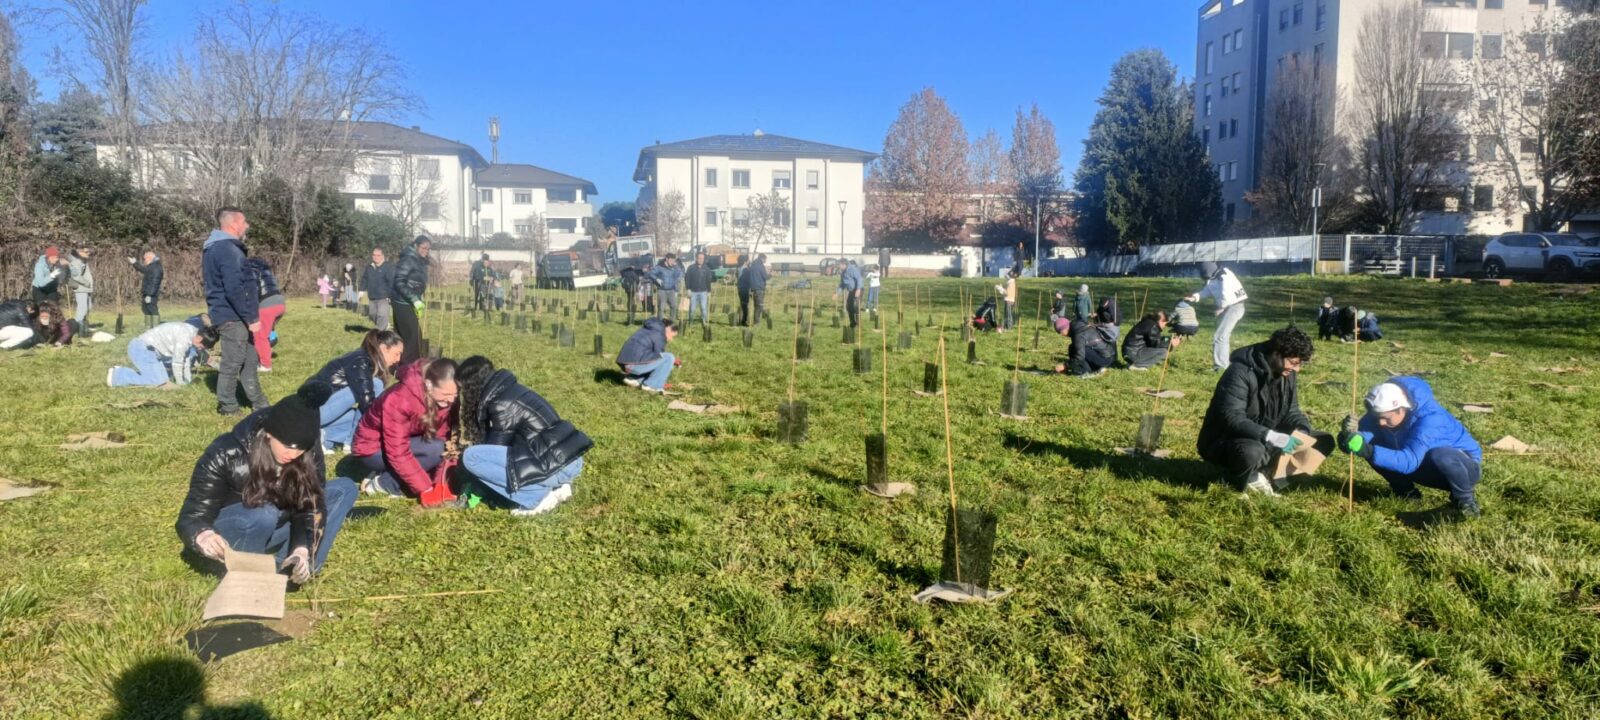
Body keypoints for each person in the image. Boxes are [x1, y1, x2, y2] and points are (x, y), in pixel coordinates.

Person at [175, 382, 358, 584]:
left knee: (343, 489)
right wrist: (203, 536)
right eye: (287, 446)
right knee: (265, 513)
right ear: (270, 434)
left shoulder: (308, 451)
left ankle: (294, 567)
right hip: (232, 531)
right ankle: (242, 575)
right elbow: (192, 516)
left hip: (276, 523)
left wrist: (301, 548)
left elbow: (310, 505)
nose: (293, 454)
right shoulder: (225, 452)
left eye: (301, 449)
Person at [1197, 326, 1332, 497]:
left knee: (1322, 441)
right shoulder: (1239, 372)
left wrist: (1303, 430)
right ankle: (1232, 483)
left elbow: (1291, 410)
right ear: (1276, 353)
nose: (1297, 369)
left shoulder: (1287, 374)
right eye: (1294, 362)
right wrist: (1271, 436)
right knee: (1252, 452)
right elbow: (1231, 417)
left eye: (1300, 364)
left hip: (1269, 438)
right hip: (1227, 440)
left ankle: (1265, 477)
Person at [454, 356, 593, 516]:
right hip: (568, 461)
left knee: (472, 456)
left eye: (462, 389)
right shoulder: (512, 391)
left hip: (555, 467)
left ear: (472, 386)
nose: (460, 396)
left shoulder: (501, 405)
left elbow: (494, 451)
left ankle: (536, 496)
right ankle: (557, 487)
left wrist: (476, 481)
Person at [1337, 378, 1484, 517]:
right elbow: (1359, 441)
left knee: (1441, 455)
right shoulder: (1381, 413)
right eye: (1377, 417)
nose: (1380, 422)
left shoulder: (1431, 418)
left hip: (1463, 470)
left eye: (1386, 418)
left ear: (1402, 409)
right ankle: (1406, 493)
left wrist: (1366, 450)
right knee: (1375, 448)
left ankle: (1465, 501)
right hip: (1422, 464)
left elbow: (1409, 461)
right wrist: (1348, 436)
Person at [352, 358, 458, 502]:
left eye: (455, 395)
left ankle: (385, 473)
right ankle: (382, 484)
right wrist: (425, 489)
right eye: (446, 395)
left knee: (439, 447)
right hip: (371, 448)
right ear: (429, 384)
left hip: (404, 440)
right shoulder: (399, 399)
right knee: (435, 450)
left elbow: (445, 440)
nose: (451, 400)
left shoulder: (444, 401)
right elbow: (397, 451)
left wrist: (440, 484)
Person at [202, 207, 270, 416]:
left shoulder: (222, 247)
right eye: (244, 221)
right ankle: (228, 406)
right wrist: (250, 317)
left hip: (235, 315)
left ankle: (260, 403)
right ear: (233, 224)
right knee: (232, 363)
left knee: (249, 360)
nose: (247, 225)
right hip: (232, 316)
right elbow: (234, 288)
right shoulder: (226, 249)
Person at [313, 329, 403, 452]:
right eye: (396, 353)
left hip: (323, 412)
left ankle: (322, 437)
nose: (398, 359)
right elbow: (368, 403)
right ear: (383, 348)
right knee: (375, 386)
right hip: (313, 410)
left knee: (355, 415)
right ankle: (353, 442)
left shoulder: (367, 361)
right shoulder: (360, 361)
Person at [107, 316, 217, 388]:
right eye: (202, 346)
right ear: (198, 338)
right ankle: (118, 376)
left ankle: (121, 372)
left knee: (164, 380)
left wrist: (187, 381)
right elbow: (177, 362)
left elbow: (186, 361)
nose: (200, 349)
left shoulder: (192, 332)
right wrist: (180, 383)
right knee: (157, 381)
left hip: (151, 354)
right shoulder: (184, 337)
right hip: (141, 349)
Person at [1185, 261, 1249, 371]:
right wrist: (1195, 297)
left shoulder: (1225, 275)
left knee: (1219, 336)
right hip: (1229, 307)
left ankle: (1221, 366)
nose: (1206, 279)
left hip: (1235, 307)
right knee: (1222, 336)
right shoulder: (1213, 277)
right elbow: (1207, 291)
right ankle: (1223, 364)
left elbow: (1227, 293)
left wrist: (1221, 307)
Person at [389, 236, 431, 364]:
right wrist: (414, 299)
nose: (426, 251)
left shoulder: (418, 260)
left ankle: (397, 363)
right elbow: (399, 282)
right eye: (423, 248)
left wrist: (418, 299)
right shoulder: (408, 260)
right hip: (402, 301)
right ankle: (409, 367)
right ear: (415, 246)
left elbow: (415, 281)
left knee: (404, 334)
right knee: (413, 336)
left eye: (428, 249)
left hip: (409, 301)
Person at [246, 257, 286, 373]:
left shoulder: (253, 270)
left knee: (260, 336)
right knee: (268, 331)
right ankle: (268, 348)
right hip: (280, 302)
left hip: (267, 304)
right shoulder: (267, 272)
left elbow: (254, 290)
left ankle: (265, 365)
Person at [617, 318, 678, 393]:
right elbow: (659, 357)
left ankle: (634, 379)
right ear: (668, 330)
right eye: (673, 336)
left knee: (661, 360)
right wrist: (673, 361)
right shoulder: (660, 335)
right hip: (633, 365)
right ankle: (652, 386)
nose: (671, 339)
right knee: (669, 357)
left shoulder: (648, 329)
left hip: (625, 363)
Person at [130, 250, 165, 329]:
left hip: (151, 293)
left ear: (150, 258)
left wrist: (149, 295)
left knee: (152, 309)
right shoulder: (152, 266)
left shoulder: (156, 267)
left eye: (144, 259)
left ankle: (156, 328)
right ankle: (148, 326)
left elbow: (155, 282)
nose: (144, 261)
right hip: (147, 292)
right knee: (145, 309)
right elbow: (144, 270)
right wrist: (135, 263)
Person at [361, 247, 392, 331]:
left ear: (382, 256)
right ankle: (384, 324)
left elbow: (391, 282)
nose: (376, 257)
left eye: (378, 255)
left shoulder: (388, 267)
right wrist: (362, 290)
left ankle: (380, 333)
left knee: (381, 314)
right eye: (374, 255)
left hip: (384, 297)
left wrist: (390, 295)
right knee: (372, 314)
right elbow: (364, 278)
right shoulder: (369, 267)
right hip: (372, 296)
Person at [684, 252, 715, 326]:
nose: (701, 260)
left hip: (703, 292)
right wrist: (688, 289)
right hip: (693, 292)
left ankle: (704, 321)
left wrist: (709, 291)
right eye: (699, 258)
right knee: (692, 309)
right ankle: (691, 322)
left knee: (704, 309)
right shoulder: (691, 268)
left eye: (702, 258)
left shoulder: (706, 269)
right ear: (696, 258)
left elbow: (708, 280)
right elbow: (687, 278)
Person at [66, 247, 94, 327]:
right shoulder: (76, 262)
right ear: (79, 252)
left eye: (89, 251)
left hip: (86, 289)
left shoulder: (83, 261)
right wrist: (87, 283)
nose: (89, 253)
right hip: (81, 288)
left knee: (88, 307)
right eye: (86, 252)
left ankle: (84, 325)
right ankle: (78, 326)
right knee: (82, 308)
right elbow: (76, 276)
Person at [738, 254, 769, 327]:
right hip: (748, 289)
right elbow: (765, 276)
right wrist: (769, 275)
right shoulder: (746, 269)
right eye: (748, 260)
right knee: (756, 306)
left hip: (748, 288)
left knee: (746, 305)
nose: (749, 261)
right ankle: (753, 322)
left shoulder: (749, 267)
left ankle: (744, 321)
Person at [651, 254, 683, 322]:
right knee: (661, 307)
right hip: (662, 290)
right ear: (666, 259)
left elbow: (681, 273)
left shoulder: (674, 267)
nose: (672, 262)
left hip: (671, 290)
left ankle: (671, 322)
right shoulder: (659, 267)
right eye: (671, 260)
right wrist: (656, 279)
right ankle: (660, 322)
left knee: (674, 306)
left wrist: (677, 268)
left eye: (674, 260)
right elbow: (651, 274)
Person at [838, 259, 862, 328]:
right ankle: (852, 323)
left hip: (858, 288)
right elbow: (842, 284)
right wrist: (837, 293)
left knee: (856, 306)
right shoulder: (843, 273)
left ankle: (858, 324)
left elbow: (859, 278)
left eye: (839, 265)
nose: (838, 267)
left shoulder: (852, 269)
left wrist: (858, 289)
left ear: (843, 264)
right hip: (851, 290)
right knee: (849, 307)